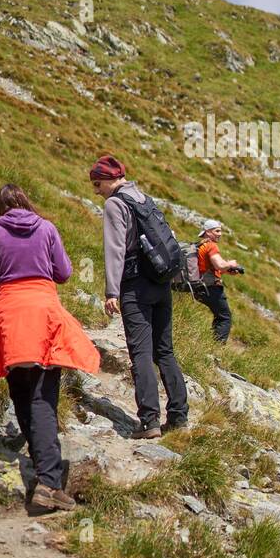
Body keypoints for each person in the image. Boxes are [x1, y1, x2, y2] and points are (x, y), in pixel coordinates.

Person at [0, 184, 100, 513]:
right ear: (27, 202)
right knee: (43, 399)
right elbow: (64, 273)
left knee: (21, 393)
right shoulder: (46, 228)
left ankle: (45, 476)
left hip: (9, 317)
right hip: (44, 315)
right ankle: (48, 482)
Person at [89, 154, 189, 440]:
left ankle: (149, 422)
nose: (96, 191)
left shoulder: (115, 204)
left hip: (135, 286)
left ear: (109, 179)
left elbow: (115, 249)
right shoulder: (143, 198)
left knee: (141, 354)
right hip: (160, 283)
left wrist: (112, 291)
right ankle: (179, 417)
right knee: (164, 351)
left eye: (97, 184)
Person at [195, 219, 242, 342]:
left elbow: (209, 267)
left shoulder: (200, 245)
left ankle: (212, 344)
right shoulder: (211, 245)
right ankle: (217, 349)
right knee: (225, 317)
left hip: (198, 287)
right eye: (217, 231)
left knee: (219, 315)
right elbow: (220, 265)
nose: (220, 234)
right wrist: (230, 264)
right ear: (208, 232)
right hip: (211, 288)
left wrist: (227, 271)